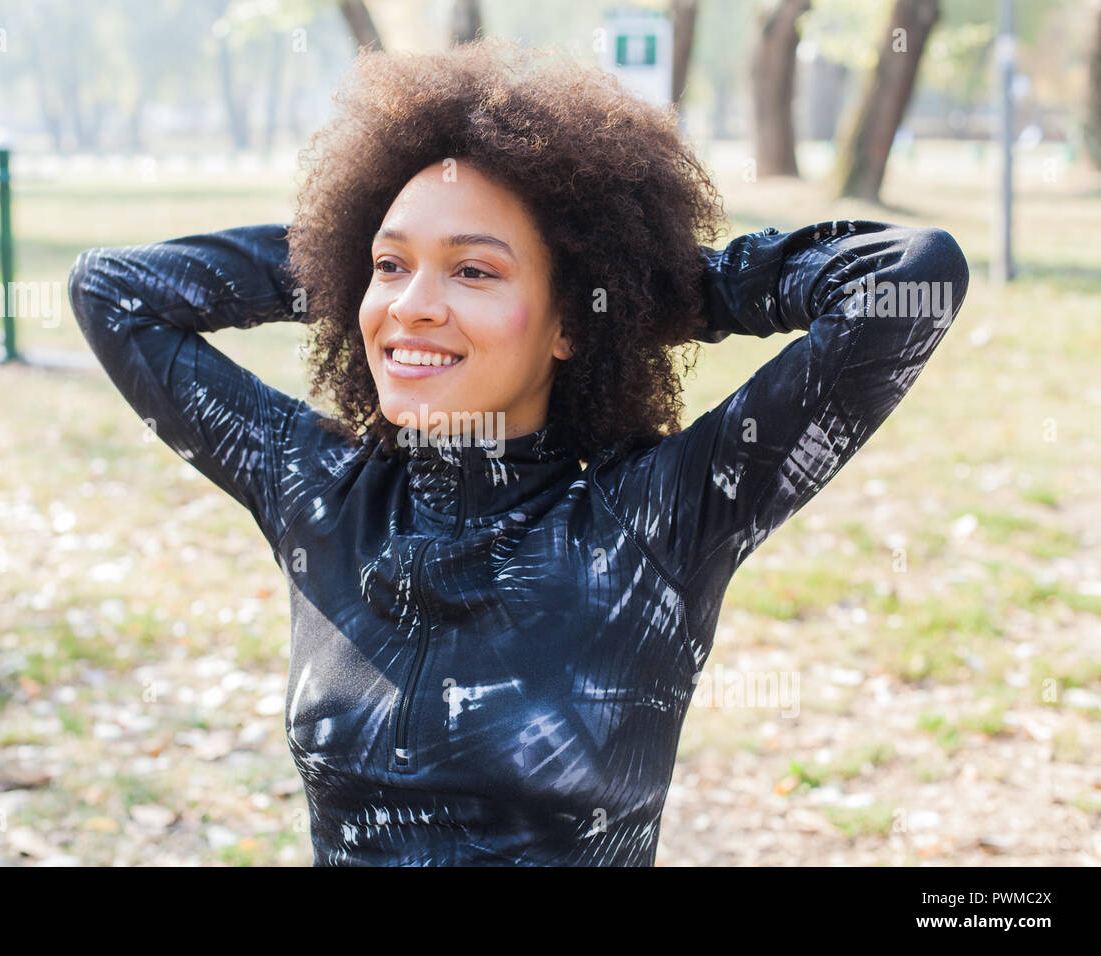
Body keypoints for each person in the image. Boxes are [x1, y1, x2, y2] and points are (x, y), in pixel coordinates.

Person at [67, 38, 969, 866]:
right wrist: (344, 261)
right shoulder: (321, 494)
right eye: (389, 265)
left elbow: (910, 279)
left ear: (570, 318)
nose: (412, 305)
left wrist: (653, 283)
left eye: (474, 270)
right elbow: (114, 292)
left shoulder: (652, 522)